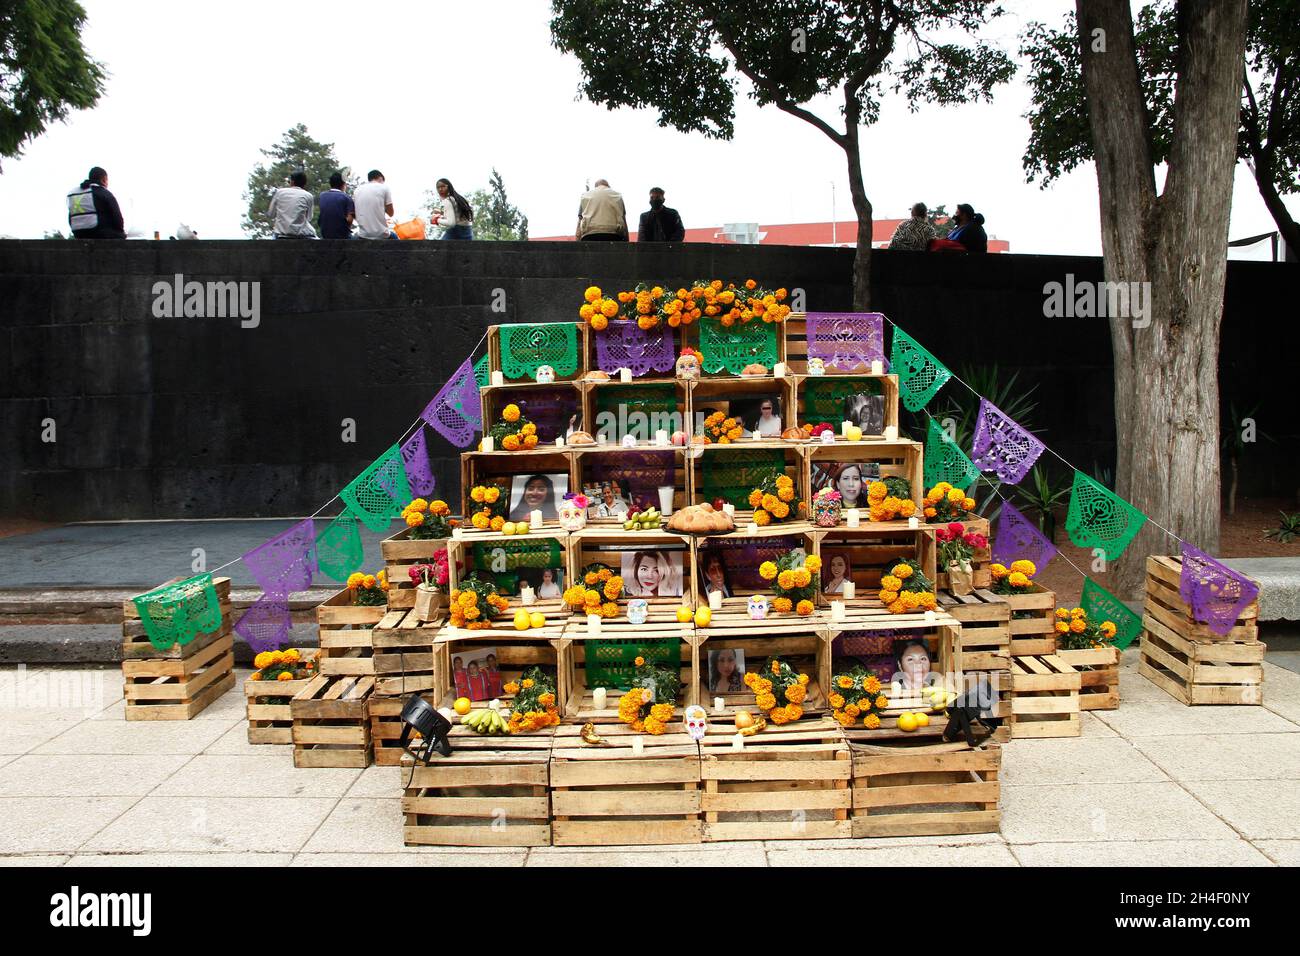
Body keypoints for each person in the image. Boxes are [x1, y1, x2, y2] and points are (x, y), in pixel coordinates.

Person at [67, 166, 125, 239]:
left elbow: (70, 217)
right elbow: (117, 217)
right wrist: (121, 231)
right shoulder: (103, 192)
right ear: (104, 179)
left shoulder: (73, 194)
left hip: (78, 234)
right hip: (100, 233)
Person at [266, 170, 316, 238]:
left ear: (292, 182)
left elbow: (271, 214)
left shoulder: (280, 192)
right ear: (304, 184)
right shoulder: (308, 196)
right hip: (299, 235)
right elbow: (309, 218)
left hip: (280, 234)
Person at [354, 169, 396, 240]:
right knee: (395, 238)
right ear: (380, 178)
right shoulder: (384, 188)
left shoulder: (357, 190)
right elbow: (391, 213)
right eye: (383, 181)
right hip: (382, 234)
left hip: (363, 235)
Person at [317, 171, 354, 239]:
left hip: (325, 234)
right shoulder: (347, 198)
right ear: (343, 184)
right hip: (342, 235)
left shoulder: (322, 196)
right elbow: (349, 219)